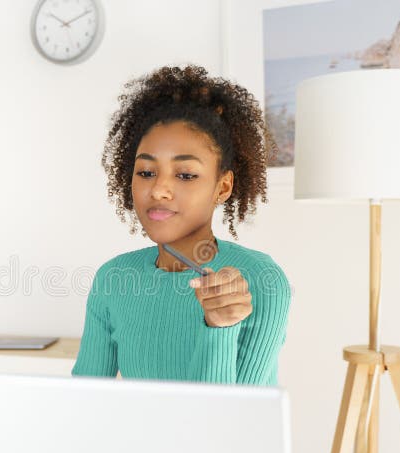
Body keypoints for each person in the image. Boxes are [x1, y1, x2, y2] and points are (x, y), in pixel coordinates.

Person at [71, 64, 291, 385]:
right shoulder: (113, 279)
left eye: (186, 175)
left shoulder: (261, 280)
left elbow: (230, 425)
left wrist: (219, 327)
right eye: (146, 172)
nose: (158, 189)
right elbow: (82, 403)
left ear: (223, 187)